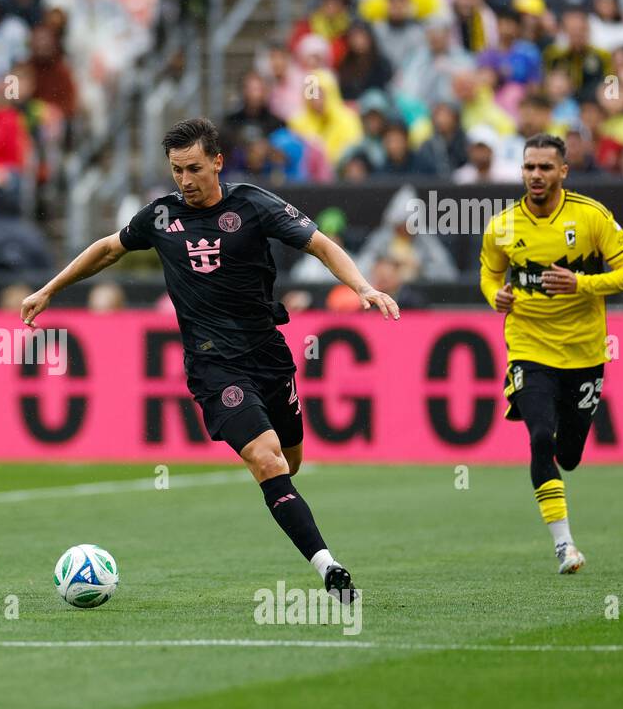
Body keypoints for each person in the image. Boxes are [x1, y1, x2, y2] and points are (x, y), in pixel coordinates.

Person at [21, 118, 400, 600]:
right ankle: (329, 568)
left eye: (194, 168)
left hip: (268, 355)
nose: (185, 180)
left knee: (289, 461)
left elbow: (321, 244)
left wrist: (363, 287)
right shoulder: (161, 216)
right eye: (176, 170)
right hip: (213, 366)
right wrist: (50, 289)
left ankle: (294, 514)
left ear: (217, 162)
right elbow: (108, 249)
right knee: (266, 458)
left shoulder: (254, 205)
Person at [480, 132, 623, 574]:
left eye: (545, 167)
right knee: (539, 437)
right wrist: (495, 296)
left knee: (568, 454)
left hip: (585, 352)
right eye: (529, 166)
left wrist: (581, 283)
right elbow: (489, 275)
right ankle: (564, 545)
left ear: (563, 171)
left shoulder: (591, 216)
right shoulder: (503, 226)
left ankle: (564, 475)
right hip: (529, 347)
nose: (536, 175)